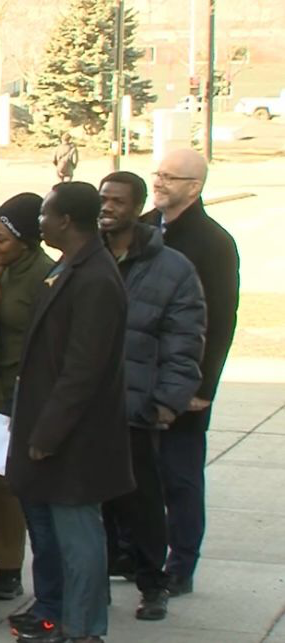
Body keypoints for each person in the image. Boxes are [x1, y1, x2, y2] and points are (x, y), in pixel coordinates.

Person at [7, 182, 134, 643]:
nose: (39, 222)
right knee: (60, 536)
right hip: (50, 425)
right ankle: (62, 619)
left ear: (65, 221)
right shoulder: (70, 268)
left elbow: (84, 369)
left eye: (44, 214)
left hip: (76, 438)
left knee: (80, 538)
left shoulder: (96, 278)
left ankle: (83, 630)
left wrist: (47, 433)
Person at [99, 170, 206, 622]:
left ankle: (152, 582)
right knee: (91, 502)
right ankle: (94, 581)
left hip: (136, 407)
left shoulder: (172, 269)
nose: (107, 207)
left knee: (142, 501)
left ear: (138, 206)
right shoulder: (84, 258)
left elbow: (186, 341)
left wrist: (167, 401)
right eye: (103, 199)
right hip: (87, 408)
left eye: (118, 201)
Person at [140, 149, 240, 596]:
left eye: (170, 177)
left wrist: (203, 386)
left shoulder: (213, 243)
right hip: (138, 377)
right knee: (141, 475)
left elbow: (221, 320)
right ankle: (139, 554)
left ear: (194, 187)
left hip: (185, 383)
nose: (158, 182)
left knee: (179, 476)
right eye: (157, 174)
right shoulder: (142, 228)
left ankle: (180, 564)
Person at [0, 193, 55, 605]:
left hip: (19, 397)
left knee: (10, 488)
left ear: (25, 241)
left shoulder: (42, 277)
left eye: (0, 240)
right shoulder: (0, 271)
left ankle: (10, 569)